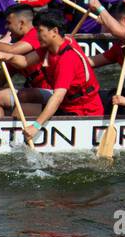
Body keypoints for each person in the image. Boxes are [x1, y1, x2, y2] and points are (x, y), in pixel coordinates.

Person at [12, 9, 104, 141]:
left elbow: (57, 97)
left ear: (54, 31)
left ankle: (19, 139)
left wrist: (36, 126)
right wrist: (8, 57)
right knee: (22, 108)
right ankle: (13, 141)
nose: (37, 36)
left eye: (40, 31)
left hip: (83, 112)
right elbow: (23, 61)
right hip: (66, 105)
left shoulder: (67, 59)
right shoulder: (48, 49)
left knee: (27, 110)